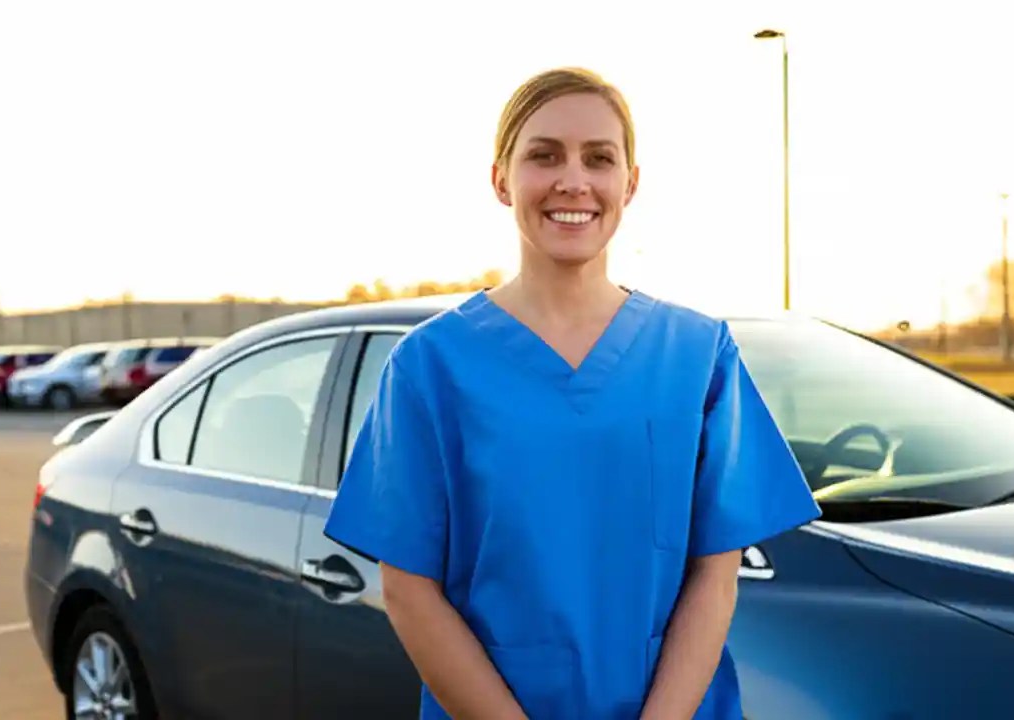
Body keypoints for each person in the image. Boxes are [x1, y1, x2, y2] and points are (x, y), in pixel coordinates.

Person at [324, 67, 822, 719]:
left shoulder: (697, 355)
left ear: (630, 183)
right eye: (544, 155)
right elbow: (409, 590)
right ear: (501, 179)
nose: (573, 181)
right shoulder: (430, 365)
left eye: (599, 159)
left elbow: (714, 574)